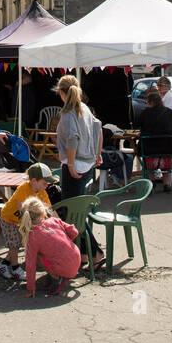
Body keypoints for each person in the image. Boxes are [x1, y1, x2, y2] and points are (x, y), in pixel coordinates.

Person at [55, 74, 104, 265]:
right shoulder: (83, 109)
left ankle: (95, 252)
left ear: (61, 92)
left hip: (75, 166)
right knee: (77, 211)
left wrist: (70, 164)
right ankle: (84, 253)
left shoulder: (68, 114)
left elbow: (73, 138)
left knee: (72, 213)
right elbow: (98, 129)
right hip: (88, 164)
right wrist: (97, 154)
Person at [0, 162, 54, 280]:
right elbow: (22, 208)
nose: (47, 185)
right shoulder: (23, 189)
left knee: (17, 244)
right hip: (9, 219)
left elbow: (49, 209)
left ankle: (4, 264)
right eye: (44, 182)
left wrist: (57, 222)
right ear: (34, 181)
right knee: (14, 245)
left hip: (20, 221)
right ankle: (15, 267)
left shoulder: (42, 191)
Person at [19, 197, 80, 297]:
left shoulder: (32, 236)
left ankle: (56, 277)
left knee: (37, 256)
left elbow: (30, 264)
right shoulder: (54, 221)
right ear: (43, 213)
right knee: (50, 253)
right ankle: (55, 276)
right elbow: (74, 231)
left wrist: (30, 288)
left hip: (65, 268)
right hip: (76, 258)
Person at [137, 89, 172, 192]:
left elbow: (137, 123)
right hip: (169, 147)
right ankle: (167, 184)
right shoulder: (168, 112)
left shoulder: (145, 113)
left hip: (150, 147)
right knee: (168, 162)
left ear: (150, 102)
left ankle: (151, 183)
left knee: (150, 162)